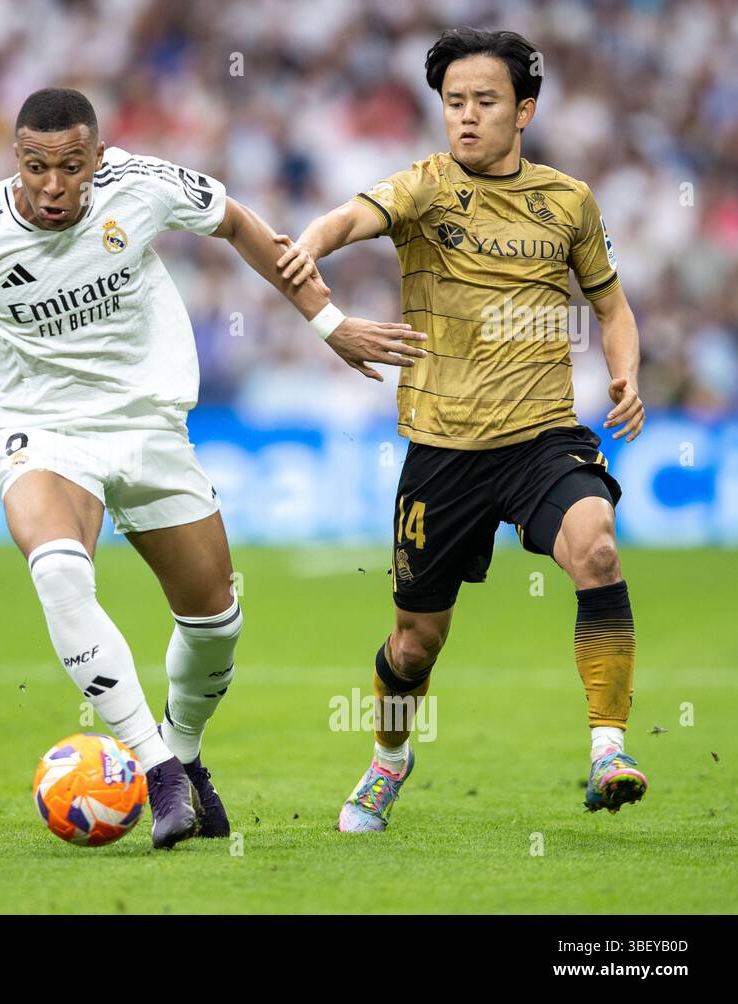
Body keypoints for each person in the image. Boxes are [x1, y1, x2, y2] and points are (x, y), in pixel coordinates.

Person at [0, 87, 422, 848]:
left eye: (71, 166)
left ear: (97, 157)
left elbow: (237, 224)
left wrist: (327, 324)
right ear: (18, 162)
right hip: (43, 429)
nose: (54, 185)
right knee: (60, 571)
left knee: (215, 624)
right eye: (37, 167)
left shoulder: (143, 185)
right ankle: (155, 766)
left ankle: (187, 756)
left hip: (148, 425)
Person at [277, 28, 648, 831]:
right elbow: (350, 218)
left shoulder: (571, 201)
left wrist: (627, 371)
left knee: (597, 546)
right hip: (443, 449)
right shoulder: (425, 187)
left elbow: (611, 307)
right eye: (453, 103)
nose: (466, 117)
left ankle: (608, 748)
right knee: (414, 645)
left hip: (543, 438)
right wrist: (310, 243)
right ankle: (388, 759)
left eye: (485, 101)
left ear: (526, 110)